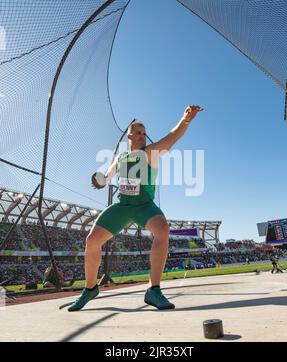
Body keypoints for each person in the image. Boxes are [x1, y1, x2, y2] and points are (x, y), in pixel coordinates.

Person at [68, 105, 203, 312]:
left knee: (162, 229)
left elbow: (172, 137)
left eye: (144, 133)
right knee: (92, 240)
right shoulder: (121, 158)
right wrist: (100, 180)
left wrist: (185, 120)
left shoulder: (150, 153)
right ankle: (90, 288)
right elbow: (107, 176)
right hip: (123, 205)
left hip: (144, 206)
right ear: (129, 136)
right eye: (138, 132)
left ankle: (153, 290)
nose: (142, 135)